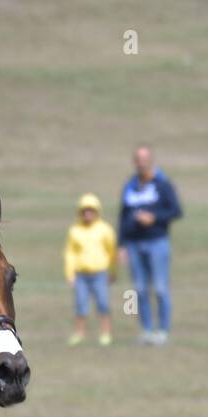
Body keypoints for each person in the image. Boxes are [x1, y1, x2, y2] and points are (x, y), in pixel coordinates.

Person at [117, 145, 182, 345]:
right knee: (140, 289)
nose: (141, 162)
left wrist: (153, 218)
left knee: (161, 288)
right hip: (135, 244)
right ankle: (146, 330)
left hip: (157, 242)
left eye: (144, 158)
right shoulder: (130, 185)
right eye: (138, 158)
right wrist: (121, 245)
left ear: (151, 160)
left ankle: (162, 330)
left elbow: (176, 211)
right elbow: (123, 216)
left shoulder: (162, 184)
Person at [63, 193, 116, 346]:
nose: (88, 214)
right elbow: (70, 253)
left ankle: (105, 333)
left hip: (100, 274)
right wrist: (70, 273)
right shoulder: (75, 230)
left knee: (103, 304)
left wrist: (113, 272)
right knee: (80, 305)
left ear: (96, 211)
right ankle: (79, 333)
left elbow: (111, 251)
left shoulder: (105, 229)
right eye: (85, 210)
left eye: (91, 210)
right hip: (81, 275)